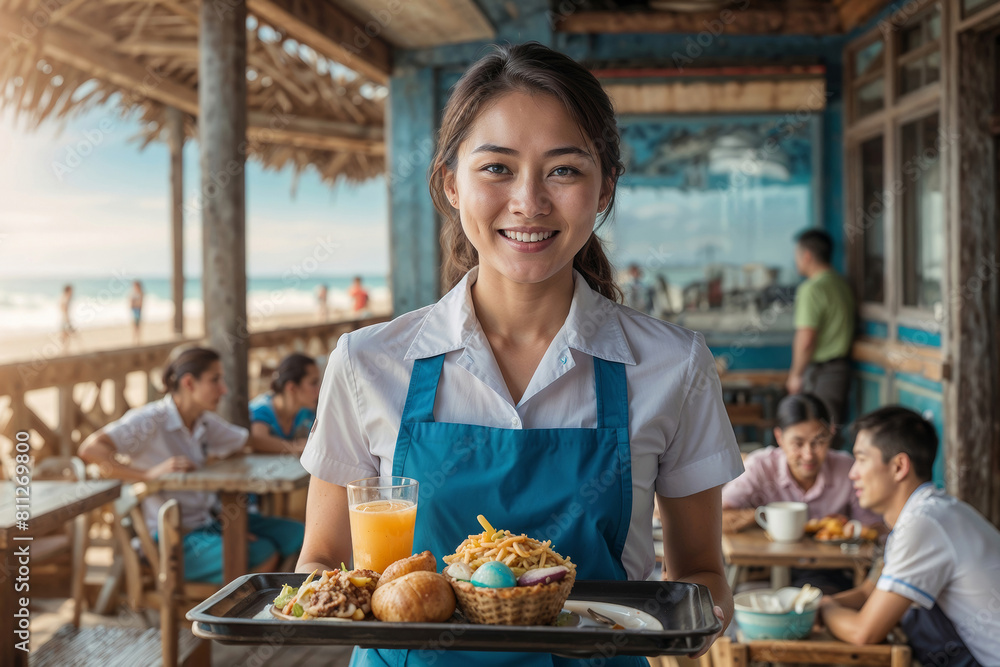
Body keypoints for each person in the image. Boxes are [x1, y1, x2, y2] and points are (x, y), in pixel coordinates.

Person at [297, 42, 744, 666]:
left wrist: (697, 621)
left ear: (604, 187)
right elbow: (320, 564)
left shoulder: (674, 366)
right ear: (452, 183)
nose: (529, 201)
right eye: (497, 168)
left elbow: (700, 573)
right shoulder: (367, 362)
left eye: (563, 169)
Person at [79, 346, 306, 584]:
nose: (224, 389)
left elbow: (248, 440)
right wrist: (147, 474)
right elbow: (90, 450)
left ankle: (249, 601)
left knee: (298, 536)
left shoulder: (203, 422)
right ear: (189, 383)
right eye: (215, 380)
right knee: (259, 553)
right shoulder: (149, 420)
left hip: (211, 522)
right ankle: (234, 612)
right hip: (172, 538)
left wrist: (300, 446)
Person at [818, 406, 1000, 665]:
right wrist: (820, 602)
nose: (852, 473)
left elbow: (864, 632)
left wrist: (825, 610)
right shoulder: (930, 512)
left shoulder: (924, 524)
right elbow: (872, 591)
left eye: (861, 459)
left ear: (899, 466)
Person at [722, 393, 881, 592]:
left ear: (831, 433)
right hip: (766, 570)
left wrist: (847, 528)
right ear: (779, 437)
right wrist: (760, 516)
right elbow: (717, 517)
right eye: (798, 443)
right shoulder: (760, 467)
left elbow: (873, 530)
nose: (808, 455)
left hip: (827, 574)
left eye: (819, 441)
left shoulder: (848, 469)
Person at [786, 229, 855, 427]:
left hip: (822, 373)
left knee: (816, 431)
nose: (796, 261)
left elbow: (806, 339)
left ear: (807, 256)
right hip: (841, 370)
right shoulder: (841, 284)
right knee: (830, 431)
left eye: (796, 256)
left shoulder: (811, 289)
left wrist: (796, 375)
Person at [249, 352, 319, 445]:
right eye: (313, 383)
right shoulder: (261, 409)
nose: (319, 389)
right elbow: (258, 439)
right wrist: (296, 446)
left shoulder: (305, 413)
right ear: (292, 387)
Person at [129, 280, 144, 344]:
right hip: (135, 311)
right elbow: (131, 304)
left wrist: (134, 304)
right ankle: (134, 340)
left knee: (137, 326)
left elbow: (140, 304)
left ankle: (138, 340)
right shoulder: (133, 293)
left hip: (138, 311)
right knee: (134, 326)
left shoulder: (140, 293)